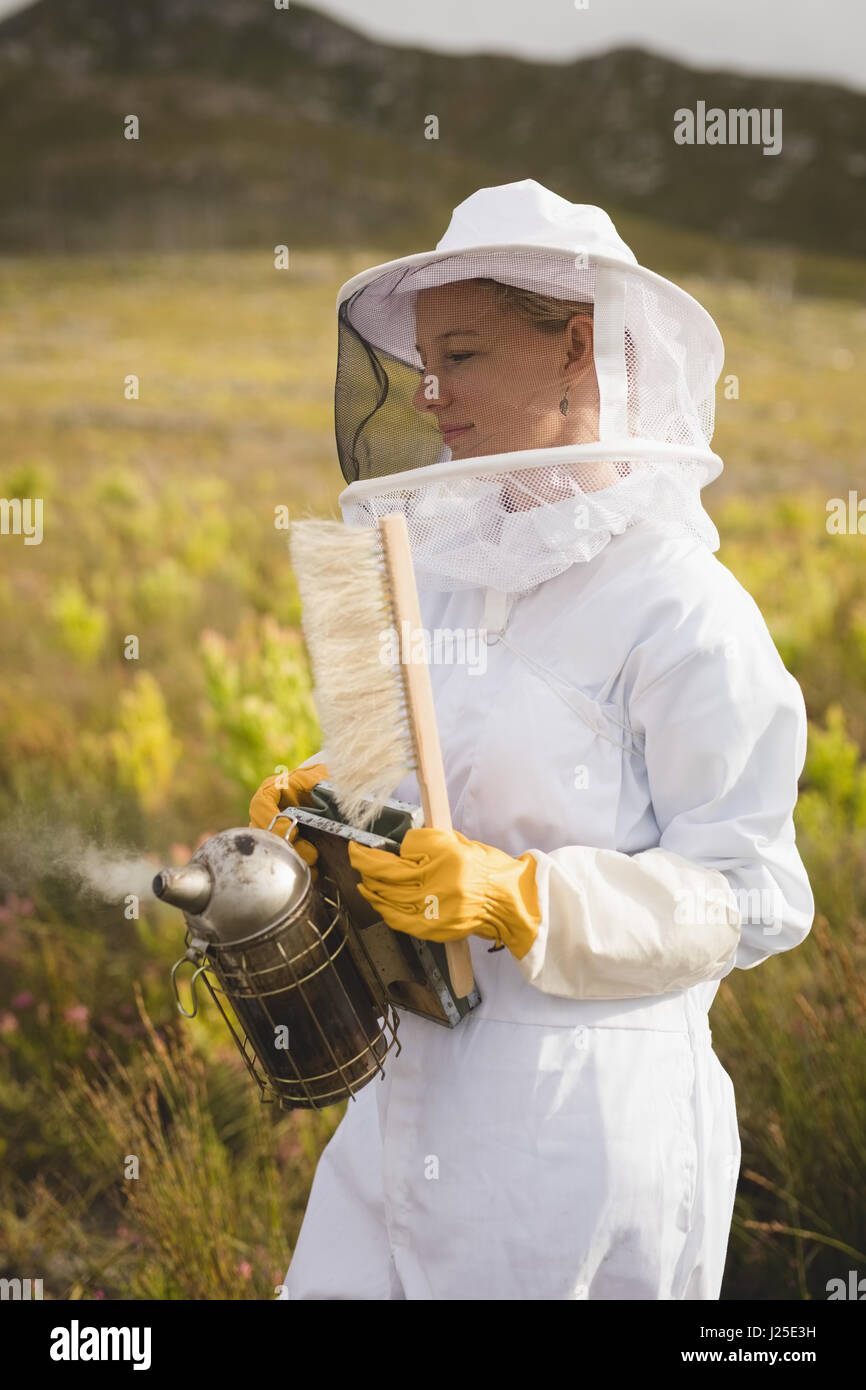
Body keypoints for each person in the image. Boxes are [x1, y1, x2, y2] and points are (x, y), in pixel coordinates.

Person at [250, 180, 814, 1300]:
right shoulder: (445, 580)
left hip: (581, 1137)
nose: (426, 393)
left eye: (458, 355)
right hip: (397, 1110)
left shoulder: (683, 610)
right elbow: (417, 791)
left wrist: (522, 896)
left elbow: (752, 894)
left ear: (576, 346)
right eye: (419, 361)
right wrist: (326, 813)